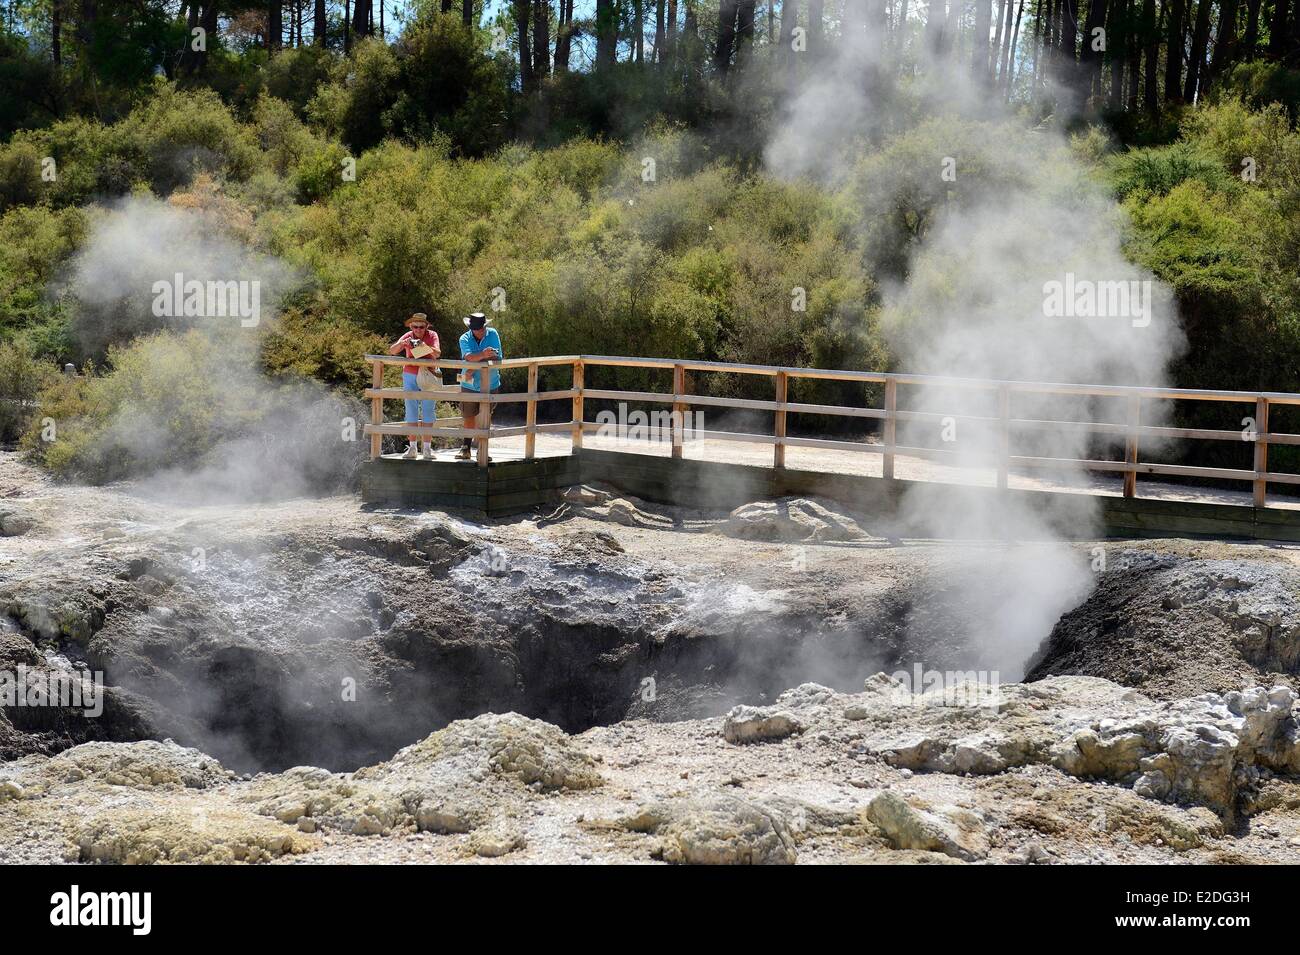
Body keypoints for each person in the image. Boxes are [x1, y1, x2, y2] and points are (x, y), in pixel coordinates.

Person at [388, 312, 441, 460]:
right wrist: (402, 344)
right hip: (410, 375)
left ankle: (427, 449)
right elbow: (392, 351)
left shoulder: (432, 335)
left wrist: (424, 347)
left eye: (421, 327)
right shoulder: (408, 335)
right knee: (410, 409)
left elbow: (437, 353)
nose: (418, 330)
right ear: (411, 326)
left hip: (428, 376)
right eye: (415, 326)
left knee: (428, 410)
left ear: (426, 326)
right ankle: (412, 448)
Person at [457, 312, 502, 460]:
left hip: (490, 382)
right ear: (471, 328)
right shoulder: (464, 338)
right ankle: (466, 448)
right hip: (468, 382)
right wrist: (483, 355)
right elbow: (468, 357)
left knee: (485, 416)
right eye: (477, 328)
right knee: (468, 415)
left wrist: (472, 367)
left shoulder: (493, 334)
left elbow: (497, 357)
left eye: (482, 328)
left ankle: (483, 449)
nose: (480, 331)